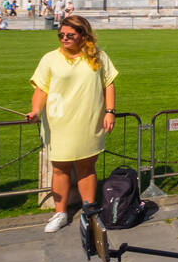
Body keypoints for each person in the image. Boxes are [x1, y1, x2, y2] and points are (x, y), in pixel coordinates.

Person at [25, 14, 118, 233]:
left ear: (82, 36)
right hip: (59, 122)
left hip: (89, 119)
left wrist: (110, 111)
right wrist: (36, 111)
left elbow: (109, 84)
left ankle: (89, 208)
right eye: (61, 35)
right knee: (60, 168)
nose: (64, 38)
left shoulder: (98, 56)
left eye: (69, 35)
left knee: (87, 166)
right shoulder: (50, 59)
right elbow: (41, 89)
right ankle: (60, 213)